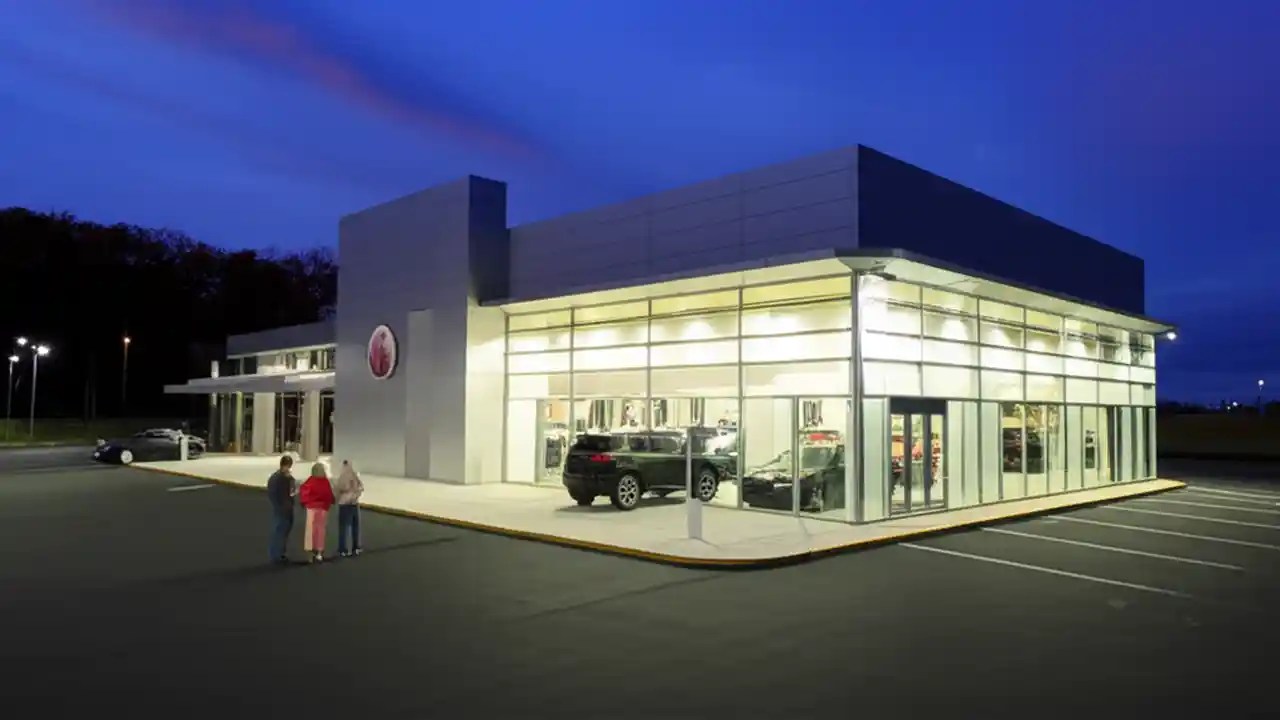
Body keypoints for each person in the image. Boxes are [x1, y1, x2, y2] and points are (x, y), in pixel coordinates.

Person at [298, 462, 335, 563]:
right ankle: (319, 552)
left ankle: (310, 553)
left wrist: (303, 502)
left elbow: (304, 491)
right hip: (323, 508)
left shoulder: (310, 481)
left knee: (310, 530)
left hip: (311, 508)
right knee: (320, 529)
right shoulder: (325, 482)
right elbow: (329, 494)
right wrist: (331, 501)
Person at [266, 456, 296, 565]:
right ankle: (278, 555)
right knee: (282, 531)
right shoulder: (286, 479)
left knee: (279, 531)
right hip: (285, 508)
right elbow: (292, 493)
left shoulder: (273, 477)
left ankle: (276, 554)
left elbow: (271, 492)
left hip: (278, 507)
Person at [333, 460, 364, 557]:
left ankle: (343, 549)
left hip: (344, 504)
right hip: (354, 504)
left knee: (343, 527)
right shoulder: (355, 476)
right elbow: (361, 487)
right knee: (355, 526)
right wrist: (355, 495)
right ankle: (355, 547)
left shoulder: (342, 477)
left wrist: (337, 499)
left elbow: (338, 489)